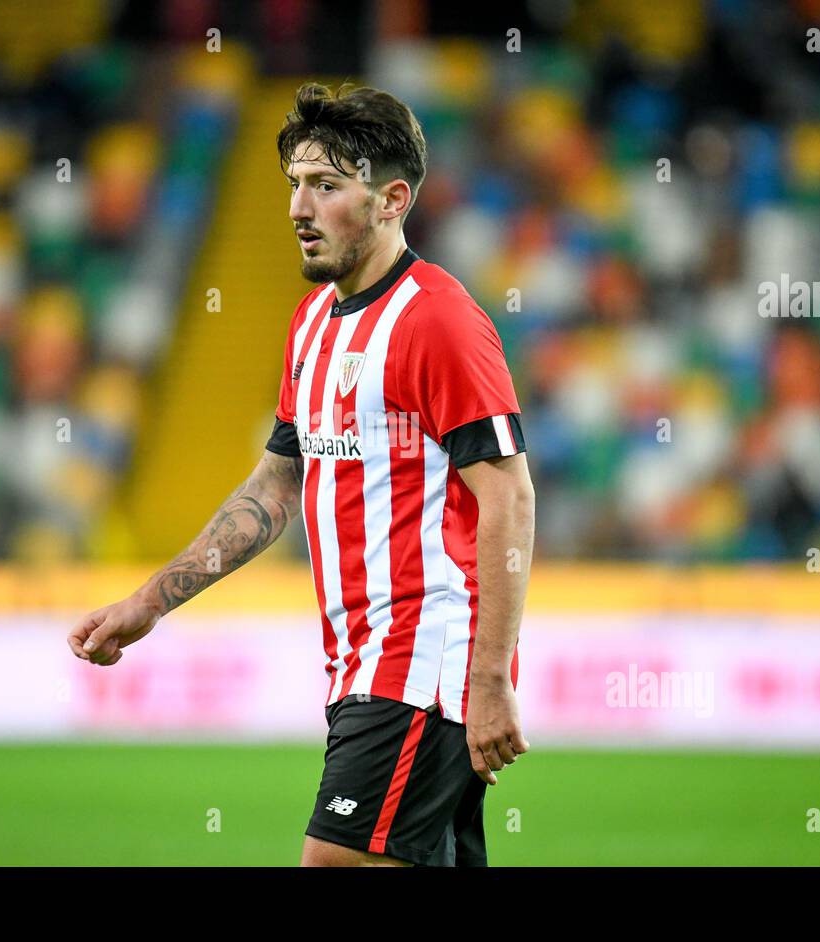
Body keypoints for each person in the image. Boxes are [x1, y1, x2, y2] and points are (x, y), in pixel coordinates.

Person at [67, 82, 535, 867]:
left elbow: (510, 497)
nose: (297, 208)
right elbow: (274, 489)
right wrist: (149, 603)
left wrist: (489, 677)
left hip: (422, 660)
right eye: (294, 185)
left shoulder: (439, 319)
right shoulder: (313, 322)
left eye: (326, 186)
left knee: (332, 860)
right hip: (358, 661)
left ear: (391, 200)